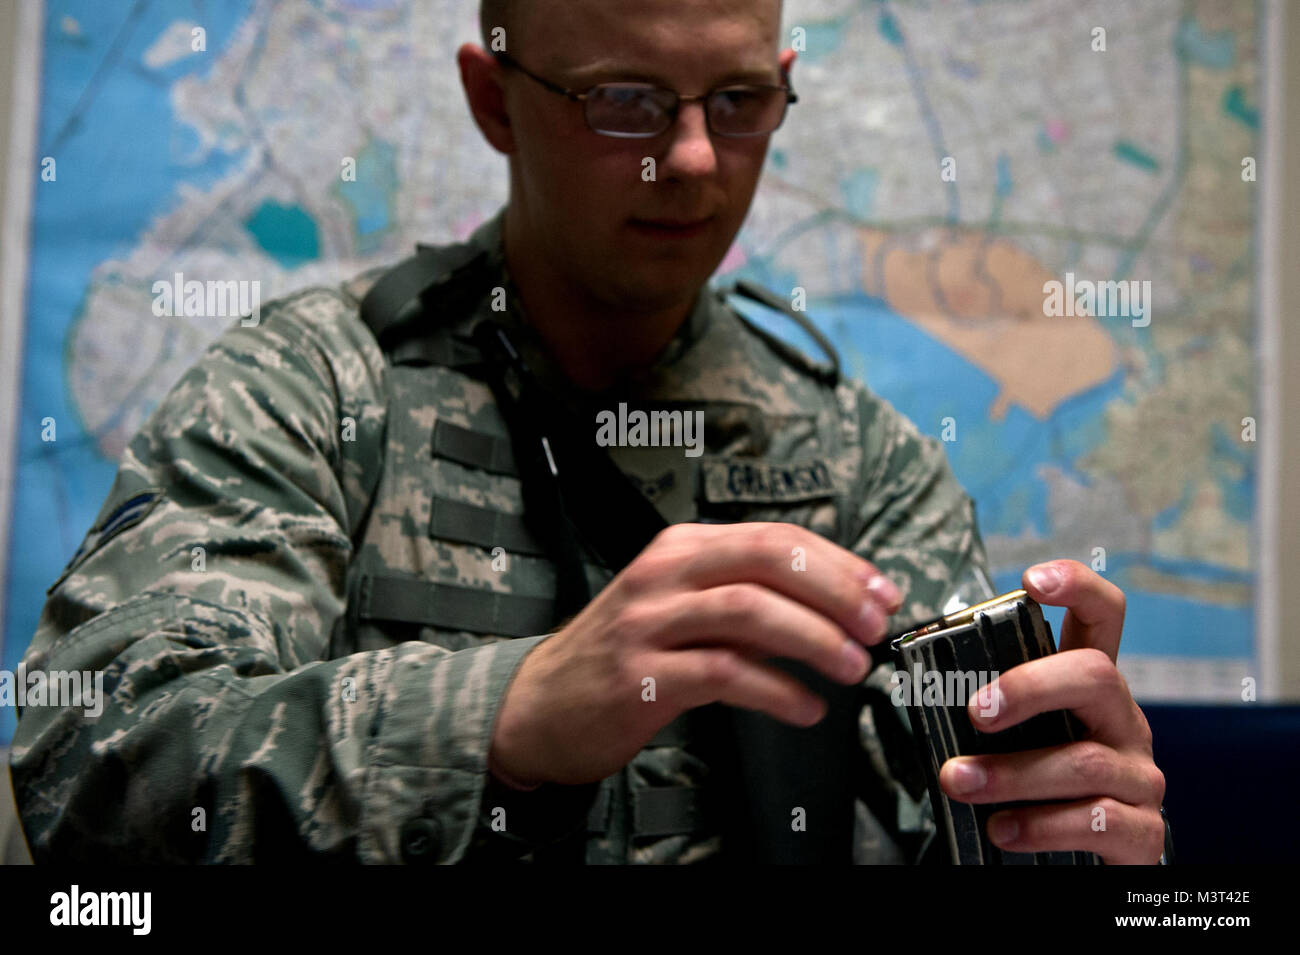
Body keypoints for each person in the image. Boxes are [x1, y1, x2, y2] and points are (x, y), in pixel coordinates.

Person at [9, 0, 1166, 864]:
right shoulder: (310, 395)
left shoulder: (862, 468)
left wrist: (1073, 841)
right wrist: (500, 717)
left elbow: (938, 824)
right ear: (492, 97)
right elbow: (92, 775)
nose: (698, 157)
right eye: (625, 101)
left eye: (740, 101)